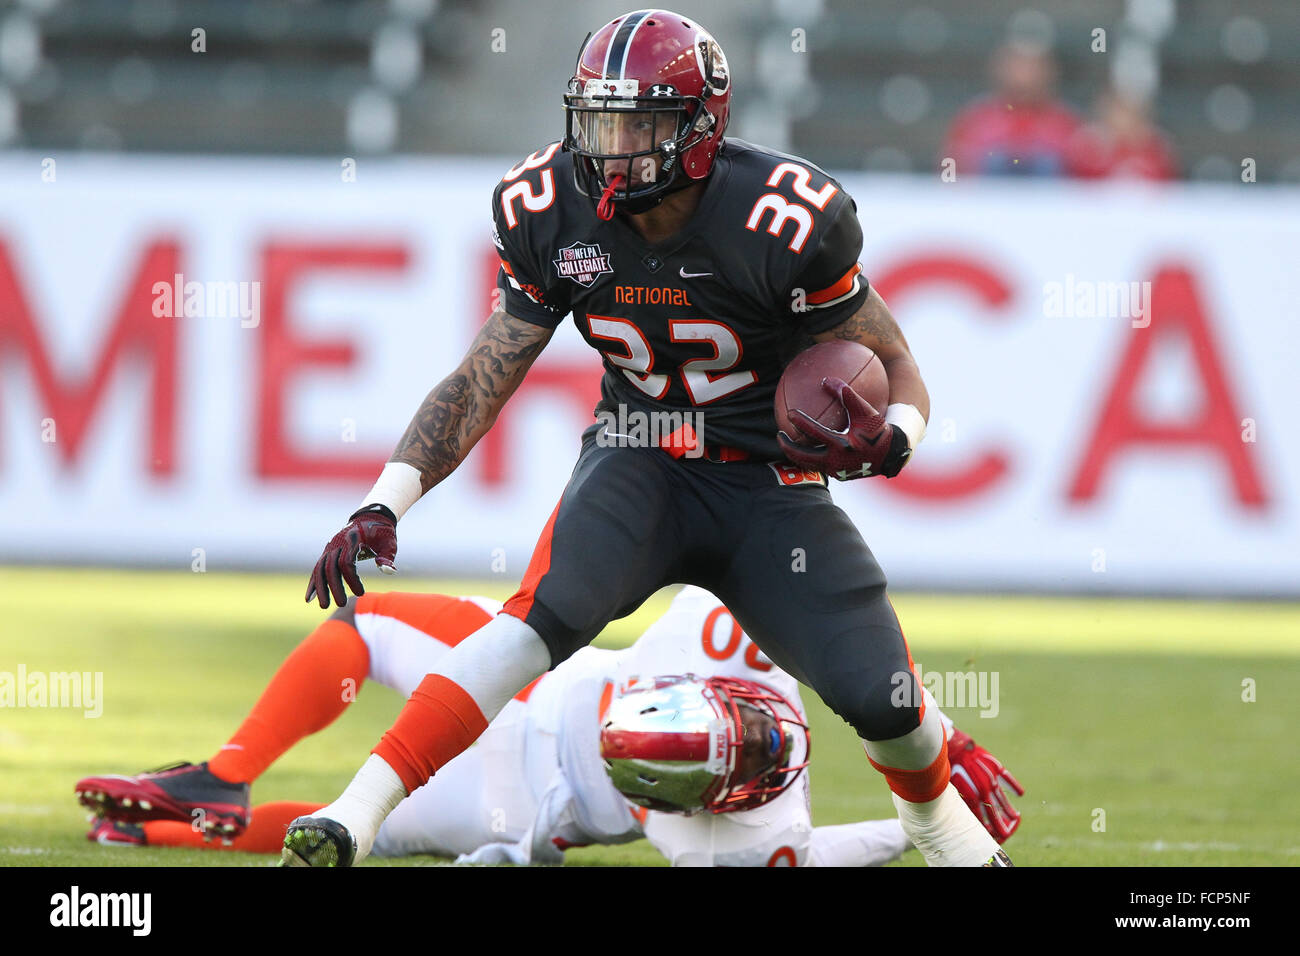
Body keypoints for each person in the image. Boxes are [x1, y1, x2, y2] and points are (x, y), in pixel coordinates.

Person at [293, 9, 1011, 868]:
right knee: (531, 626)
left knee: (882, 697)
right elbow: (486, 374)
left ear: (701, 130)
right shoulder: (551, 206)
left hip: (765, 486)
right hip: (639, 457)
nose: (612, 145)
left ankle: (941, 836)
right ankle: (354, 811)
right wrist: (387, 496)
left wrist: (896, 438)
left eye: (640, 124)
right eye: (600, 119)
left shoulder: (785, 217)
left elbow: (897, 364)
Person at [77, 587, 1023, 866]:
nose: (775, 737)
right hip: (502, 819)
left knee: (361, 631)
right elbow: (848, 604)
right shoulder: (726, 841)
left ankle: (216, 780)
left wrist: (932, 756)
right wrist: (924, 790)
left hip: (525, 694)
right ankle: (153, 827)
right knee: (344, 827)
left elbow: (847, 600)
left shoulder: (702, 633)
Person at [942, 38, 1081, 176]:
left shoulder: (1065, 122)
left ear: (1049, 71)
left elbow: (1085, 173)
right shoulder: (976, 118)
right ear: (1001, 69)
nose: (1025, 75)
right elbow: (952, 166)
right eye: (1018, 66)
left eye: (1032, 67)